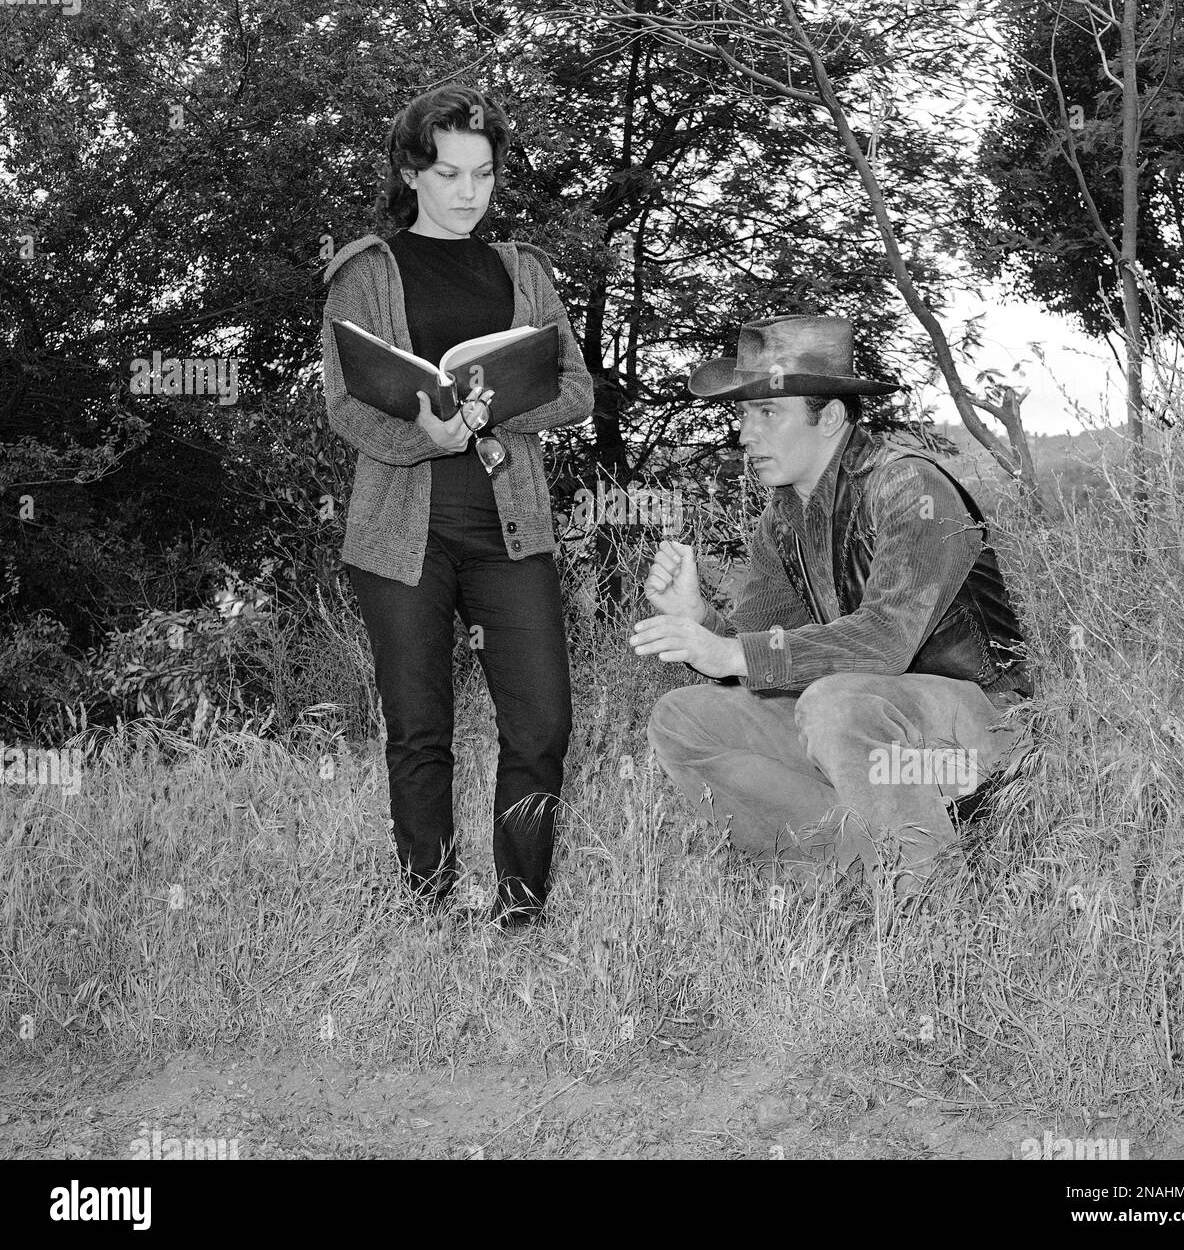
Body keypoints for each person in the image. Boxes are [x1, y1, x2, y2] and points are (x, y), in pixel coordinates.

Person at [631, 314, 1032, 898]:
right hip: (864, 745)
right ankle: (858, 871)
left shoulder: (908, 487)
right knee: (682, 719)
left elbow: (883, 642)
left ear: (833, 418)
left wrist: (729, 651)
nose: (745, 433)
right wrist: (700, 623)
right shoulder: (782, 521)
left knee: (834, 704)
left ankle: (931, 900)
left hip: (971, 753)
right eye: (743, 414)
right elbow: (761, 661)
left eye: (767, 413)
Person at [320, 84, 594, 927]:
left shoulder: (524, 270)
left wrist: (495, 408)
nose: (468, 192)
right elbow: (346, 404)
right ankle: (429, 905)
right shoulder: (367, 270)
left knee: (542, 721)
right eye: (448, 173)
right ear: (412, 172)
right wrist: (429, 436)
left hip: (511, 527)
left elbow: (577, 388)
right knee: (419, 728)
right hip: (402, 533)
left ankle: (522, 907)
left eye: (481, 173)